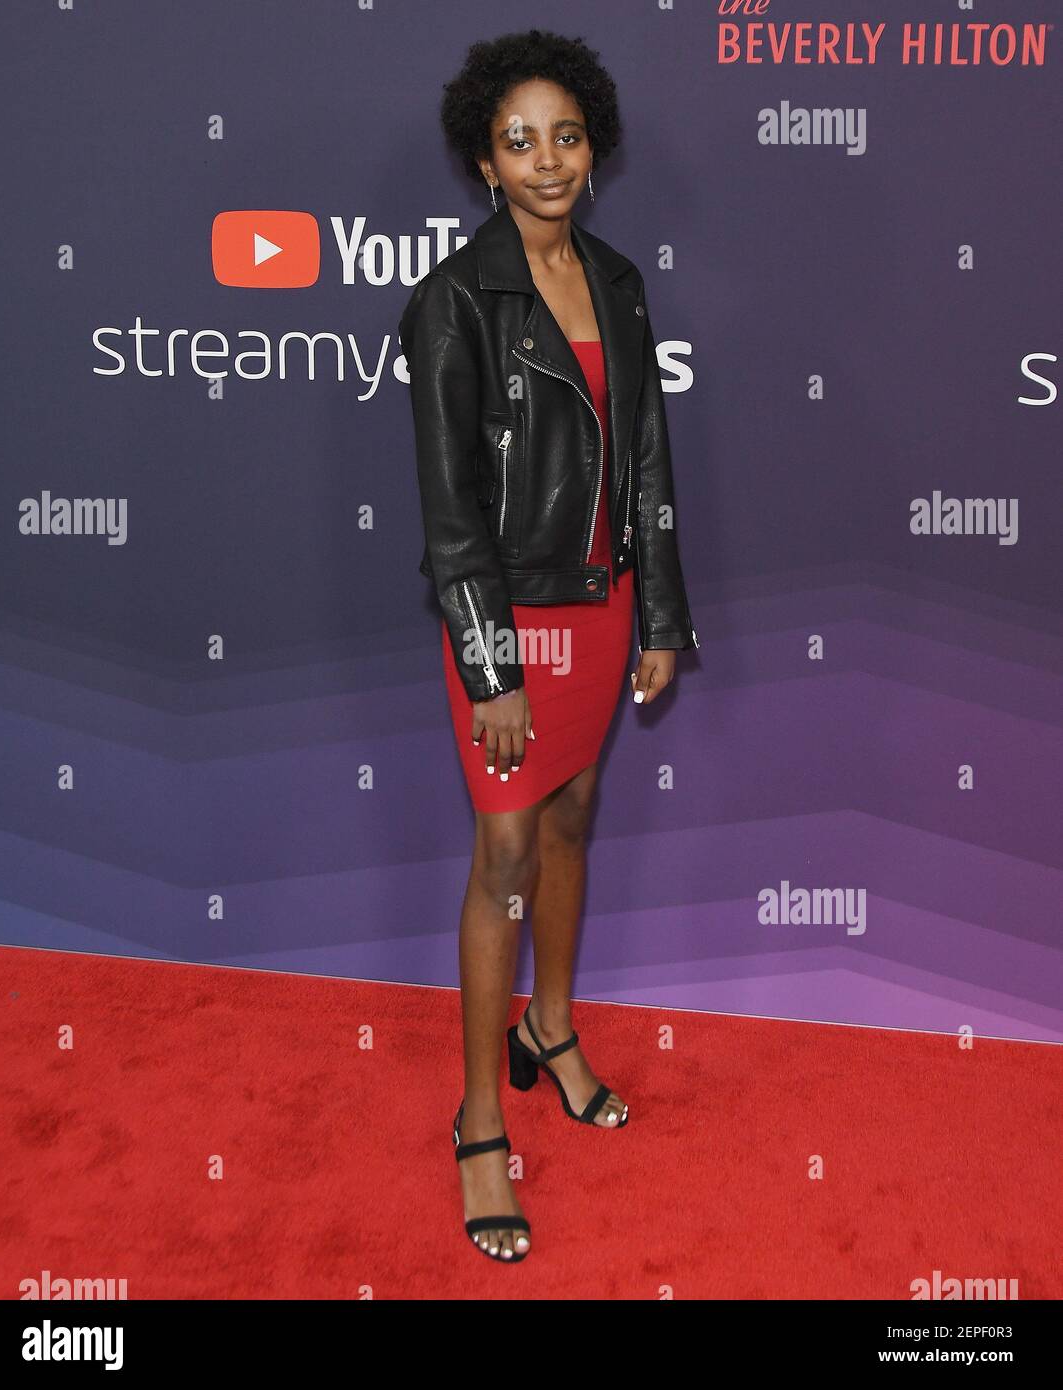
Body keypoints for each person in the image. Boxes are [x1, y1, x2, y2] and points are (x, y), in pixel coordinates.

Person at [398, 28, 699, 1264]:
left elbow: (642, 462)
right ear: (483, 161)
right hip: (510, 619)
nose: (546, 160)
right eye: (518, 140)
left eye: (564, 135)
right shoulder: (455, 302)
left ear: (593, 146)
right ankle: (479, 1123)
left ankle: (552, 1029)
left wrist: (663, 613)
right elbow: (450, 512)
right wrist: (491, 666)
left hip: (607, 602)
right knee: (506, 850)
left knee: (574, 818)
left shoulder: (618, 282)